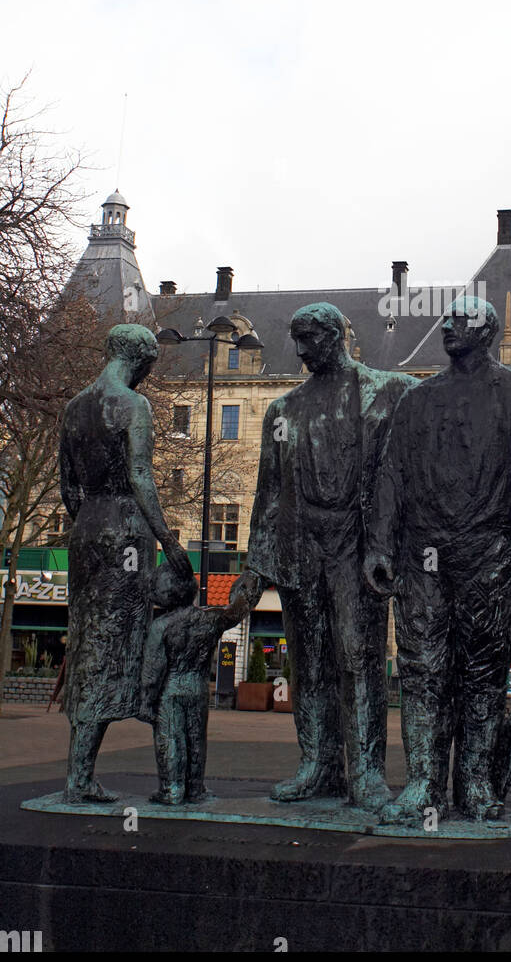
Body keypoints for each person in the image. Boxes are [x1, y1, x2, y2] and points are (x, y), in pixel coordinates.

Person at [364, 296, 511, 825]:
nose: (449, 326)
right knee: (422, 671)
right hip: (424, 558)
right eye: (447, 319)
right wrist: (381, 546)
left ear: (489, 331)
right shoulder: (416, 401)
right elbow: (389, 476)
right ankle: (423, 783)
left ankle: (475, 781)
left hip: (491, 555)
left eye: (462, 320)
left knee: (483, 672)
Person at [245, 302, 415, 811]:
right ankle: (317, 764)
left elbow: (437, 420)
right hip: (301, 547)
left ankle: (365, 771)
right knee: (309, 661)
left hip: (356, 546)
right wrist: (257, 562)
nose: (298, 350)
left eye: (308, 339)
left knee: (358, 658)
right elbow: (268, 493)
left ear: (336, 336)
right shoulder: (282, 410)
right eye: (294, 339)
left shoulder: (389, 390)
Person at [59, 323, 193, 803]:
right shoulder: (134, 406)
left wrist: (90, 522)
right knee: (114, 646)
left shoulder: (75, 407)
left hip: (87, 531)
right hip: (125, 530)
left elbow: (67, 488)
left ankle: (79, 773)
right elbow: (140, 476)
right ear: (141, 360)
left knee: (87, 641)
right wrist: (168, 541)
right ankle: (102, 775)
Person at [139, 569, 258, 804]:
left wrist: (146, 700)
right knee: (196, 740)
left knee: (171, 739)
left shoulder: (160, 626)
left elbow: (153, 669)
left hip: (170, 689)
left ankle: (171, 789)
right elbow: (237, 611)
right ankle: (195, 789)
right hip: (198, 688)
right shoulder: (210, 619)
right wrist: (251, 581)